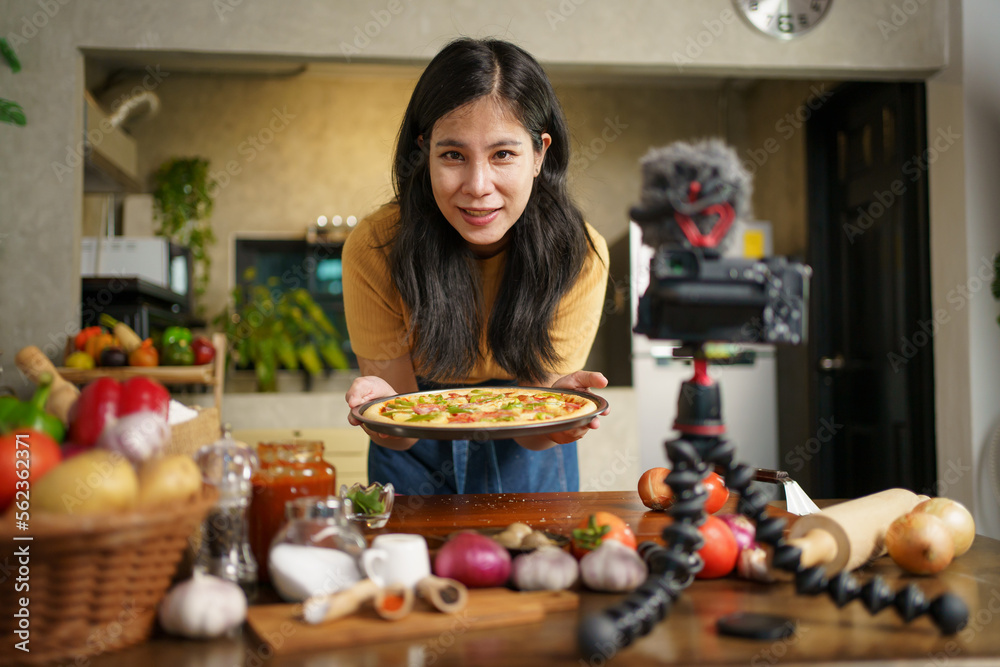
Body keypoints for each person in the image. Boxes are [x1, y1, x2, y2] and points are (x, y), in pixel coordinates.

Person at [342, 37, 610, 495]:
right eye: (453, 155)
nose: (477, 186)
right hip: (415, 447)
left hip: (526, 446)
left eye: (503, 154)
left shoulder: (578, 254)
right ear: (425, 151)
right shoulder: (376, 247)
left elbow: (541, 428)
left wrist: (564, 416)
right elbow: (395, 424)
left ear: (540, 154)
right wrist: (378, 413)